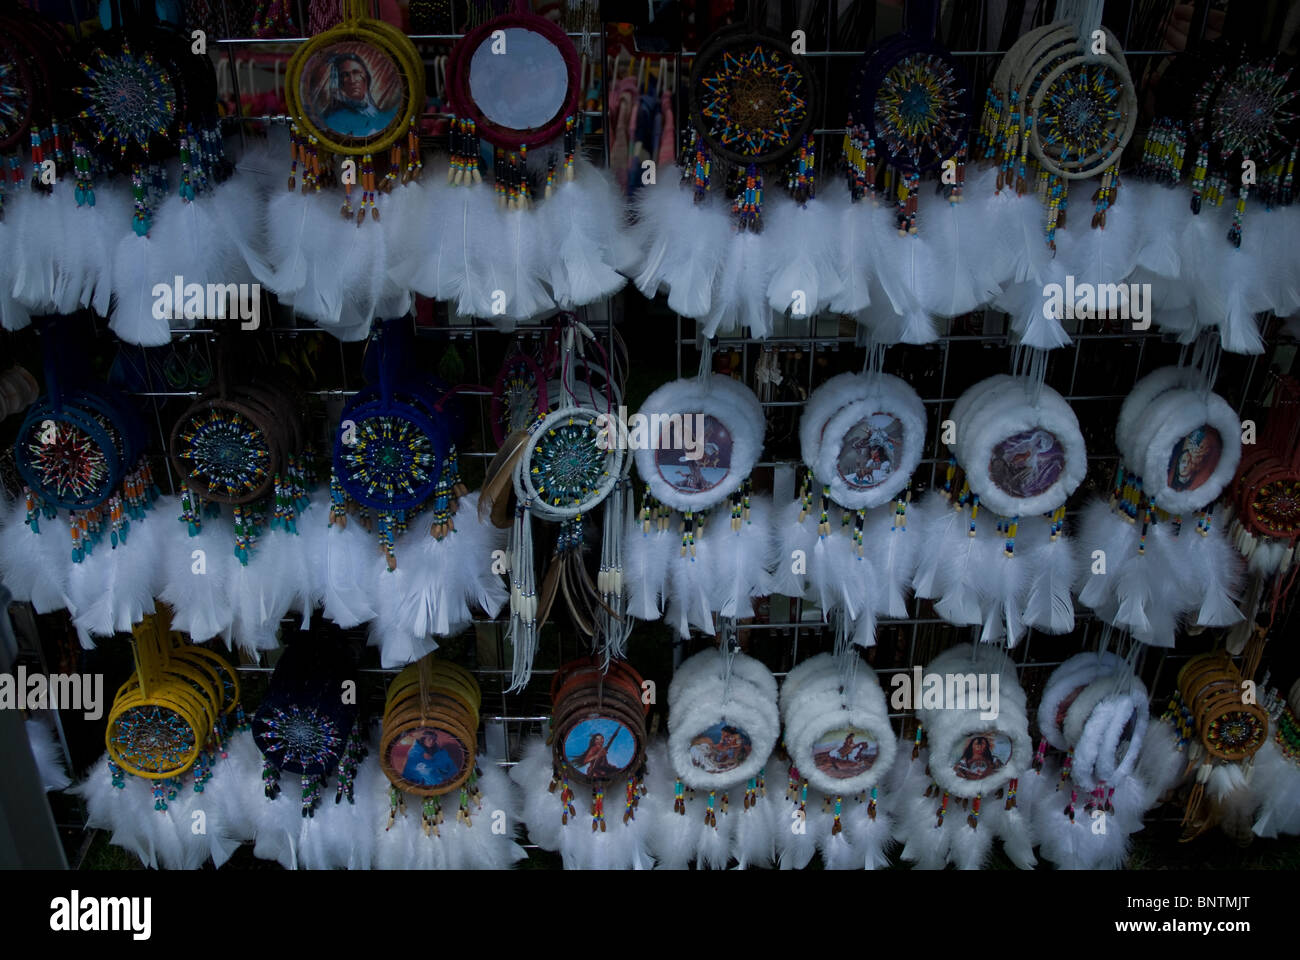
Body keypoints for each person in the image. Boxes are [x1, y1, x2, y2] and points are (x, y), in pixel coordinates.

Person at [320, 53, 397, 138]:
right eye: (345, 75)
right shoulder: (333, 116)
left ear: (366, 77)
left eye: (356, 72)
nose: (352, 80)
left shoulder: (374, 110)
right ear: (339, 82)